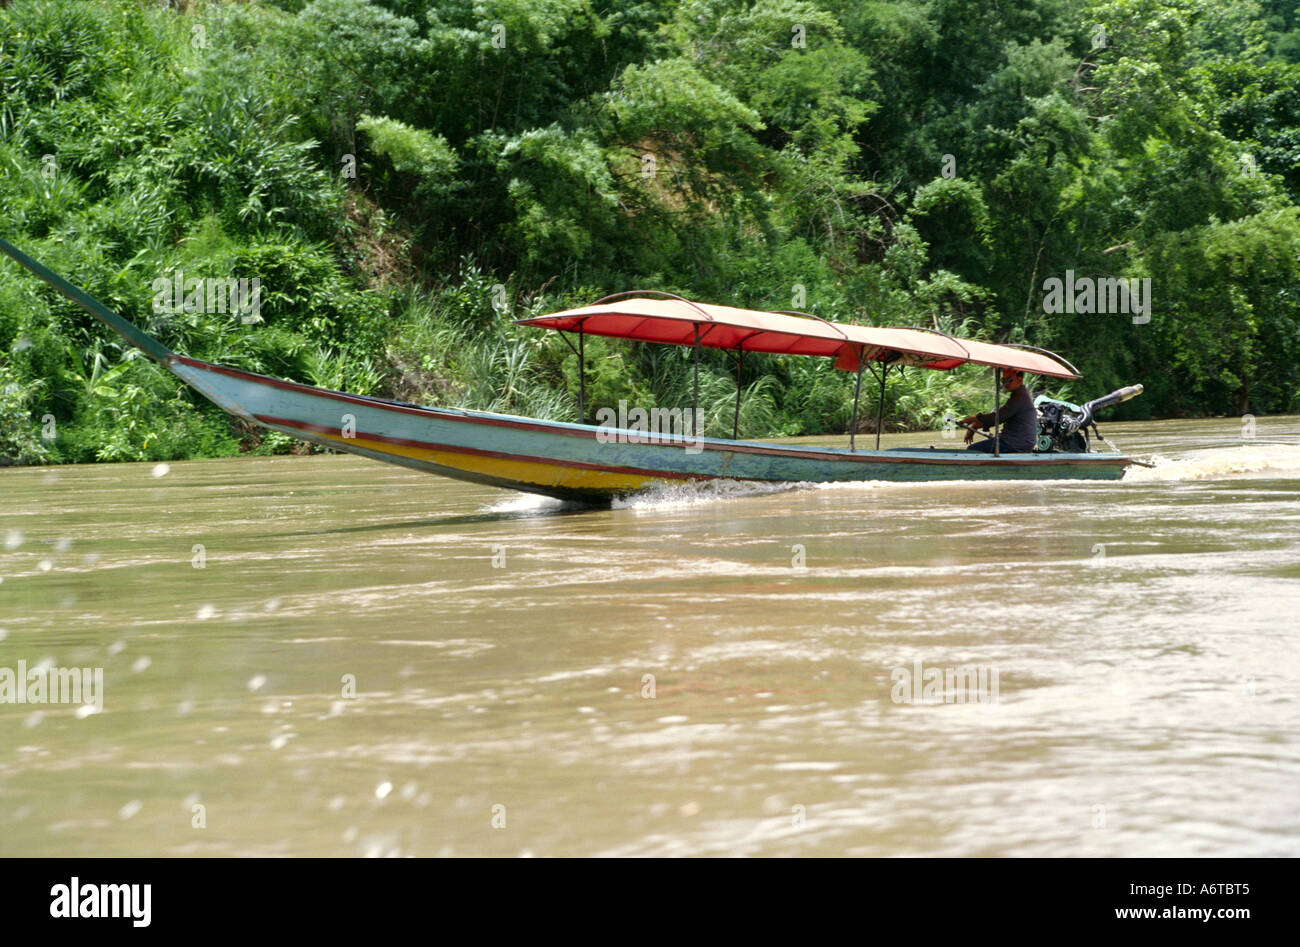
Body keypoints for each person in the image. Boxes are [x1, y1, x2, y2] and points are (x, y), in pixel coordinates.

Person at [962, 369, 1036, 452]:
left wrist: (975, 419)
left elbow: (999, 417)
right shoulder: (1019, 395)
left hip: (1015, 443)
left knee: (972, 450)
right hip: (1019, 442)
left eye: (1009, 380)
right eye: (1003, 380)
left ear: (1020, 379)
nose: (1006, 383)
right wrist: (974, 426)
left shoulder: (1020, 397)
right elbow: (999, 416)